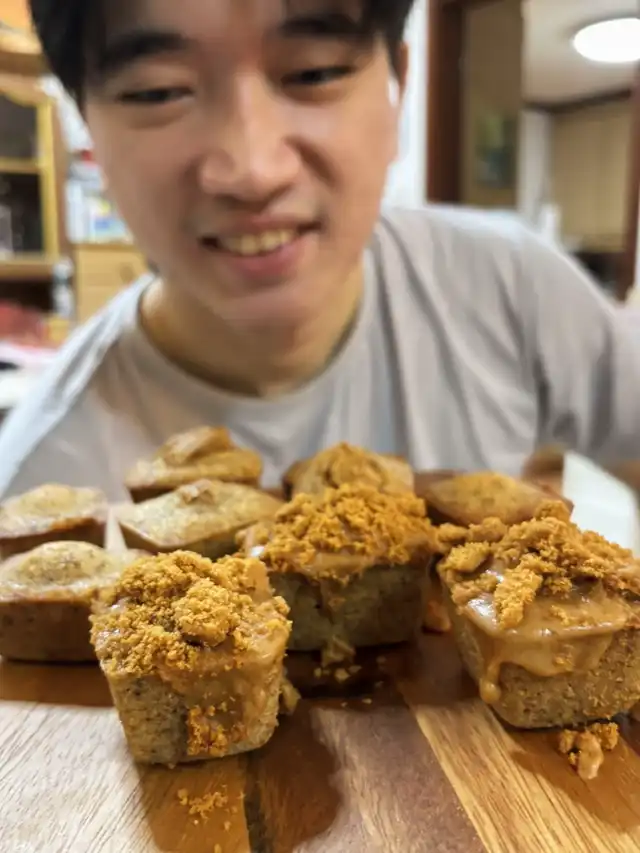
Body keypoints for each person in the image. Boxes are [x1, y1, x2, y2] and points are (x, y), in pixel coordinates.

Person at [0, 0, 638, 501]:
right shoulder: (39, 498)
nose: (254, 170)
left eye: (315, 73)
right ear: (86, 129)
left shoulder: (510, 284)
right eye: (159, 91)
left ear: (398, 86)